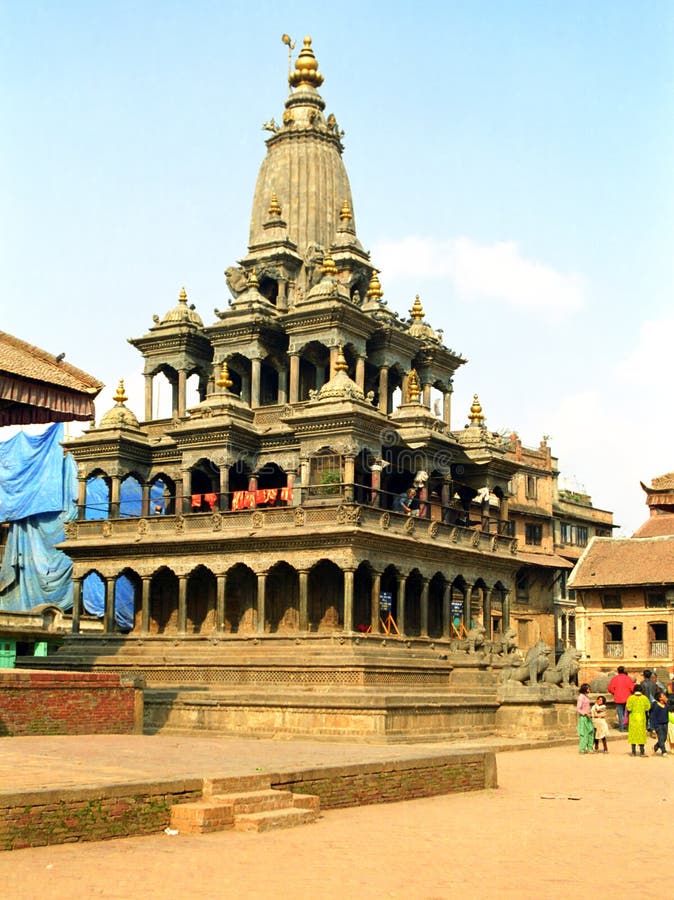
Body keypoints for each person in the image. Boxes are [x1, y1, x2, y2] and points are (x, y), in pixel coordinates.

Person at [626, 686, 651, 756]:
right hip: (642, 718)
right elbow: (648, 708)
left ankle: (633, 752)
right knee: (641, 735)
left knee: (633, 735)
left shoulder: (630, 698)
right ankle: (642, 752)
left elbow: (629, 708)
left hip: (633, 718)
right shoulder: (644, 698)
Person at [608, 666, 634, 732]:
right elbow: (632, 688)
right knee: (628, 713)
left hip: (618, 698)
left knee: (620, 713)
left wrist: (615, 693)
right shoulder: (628, 678)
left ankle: (621, 728)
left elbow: (610, 688)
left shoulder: (615, 678)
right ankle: (629, 727)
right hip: (628, 698)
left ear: (618, 671)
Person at [577, 683, 594, 754]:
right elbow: (578, 709)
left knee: (591, 732)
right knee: (584, 734)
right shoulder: (581, 697)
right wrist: (585, 713)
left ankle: (590, 748)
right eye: (588, 689)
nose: (589, 690)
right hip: (584, 717)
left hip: (588, 717)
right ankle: (582, 749)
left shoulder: (586, 697)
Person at [650, 690, 669, 756]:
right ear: (660, 698)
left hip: (665, 723)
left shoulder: (666, 705)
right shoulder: (656, 706)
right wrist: (653, 728)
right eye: (663, 696)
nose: (665, 696)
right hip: (658, 725)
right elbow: (653, 717)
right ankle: (664, 751)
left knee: (664, 738)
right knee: (661, 738)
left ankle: (655, 747)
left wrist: (667, 701)